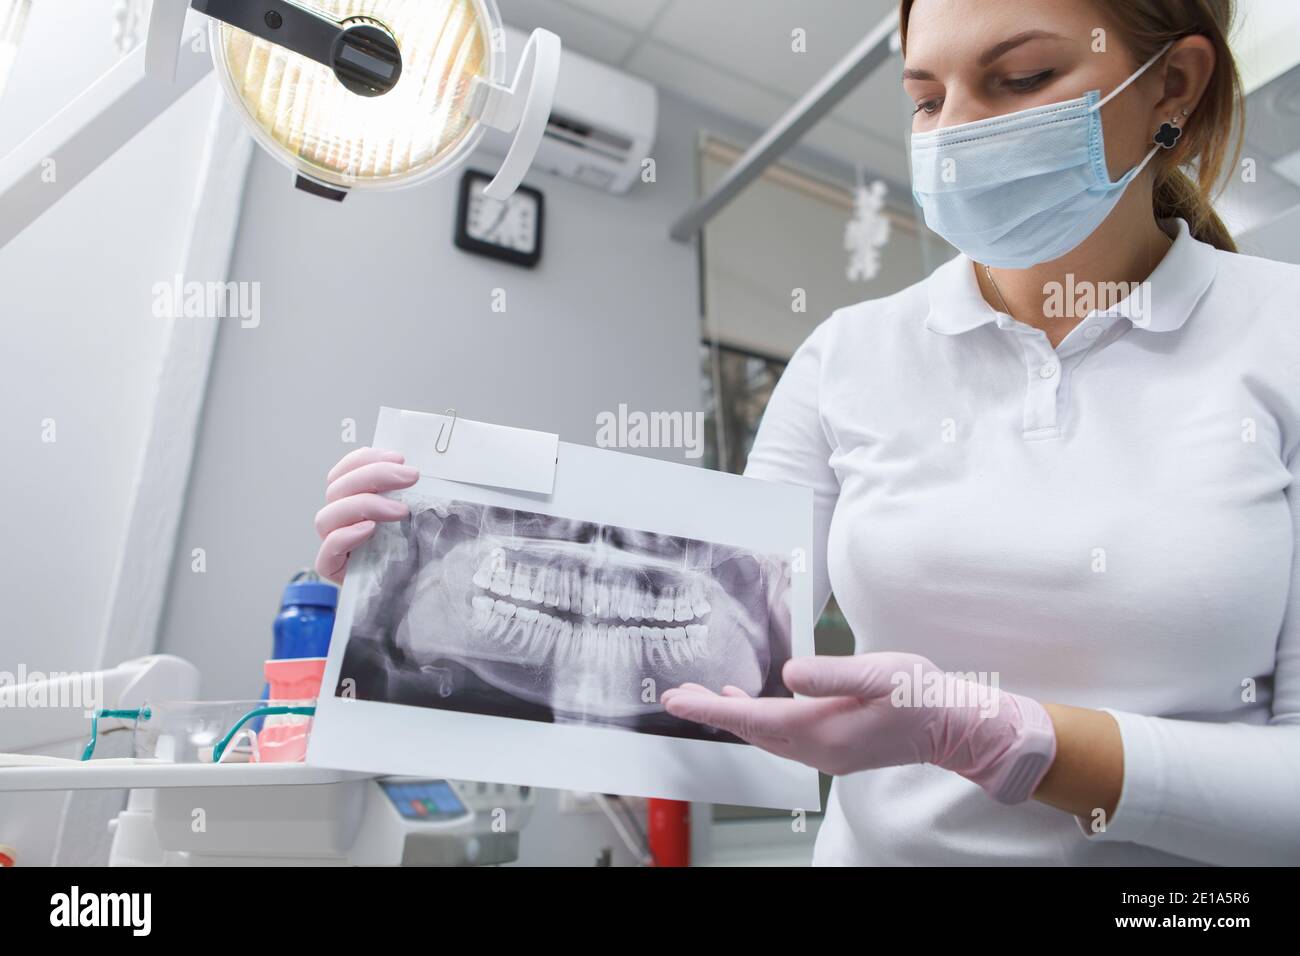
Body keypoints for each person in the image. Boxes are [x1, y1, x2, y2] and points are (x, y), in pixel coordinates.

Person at [315, 0, 1300, 865]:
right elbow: (718, 662)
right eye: (924, 96)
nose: (953, 132)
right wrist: (412, 565)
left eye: (1020, 77)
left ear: (1171, 80)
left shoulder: (1281, 333)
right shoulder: (848, 355)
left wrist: (1023, 741)